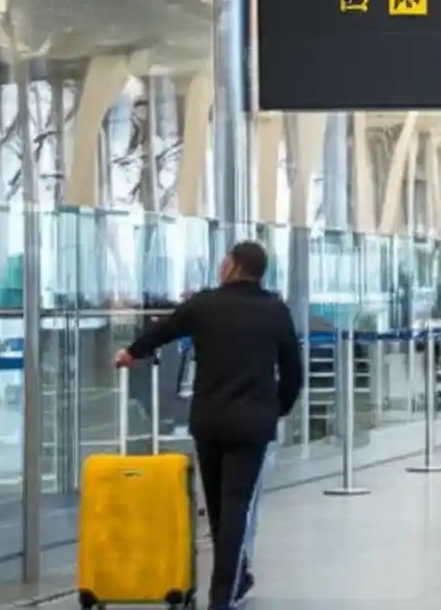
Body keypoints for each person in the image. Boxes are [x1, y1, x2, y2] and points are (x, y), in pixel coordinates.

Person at [114, 242, 303, 609]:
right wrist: (277, 409)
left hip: (210, 420)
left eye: (225, 260)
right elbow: (293, 370)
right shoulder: (275, 310)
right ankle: (225, 591)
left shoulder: (205, 304)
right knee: (235, 506)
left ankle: (232, 582)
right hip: (252, 423)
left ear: (232, 266)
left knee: (218, 506)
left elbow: (164, 328)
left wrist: (131, 353)